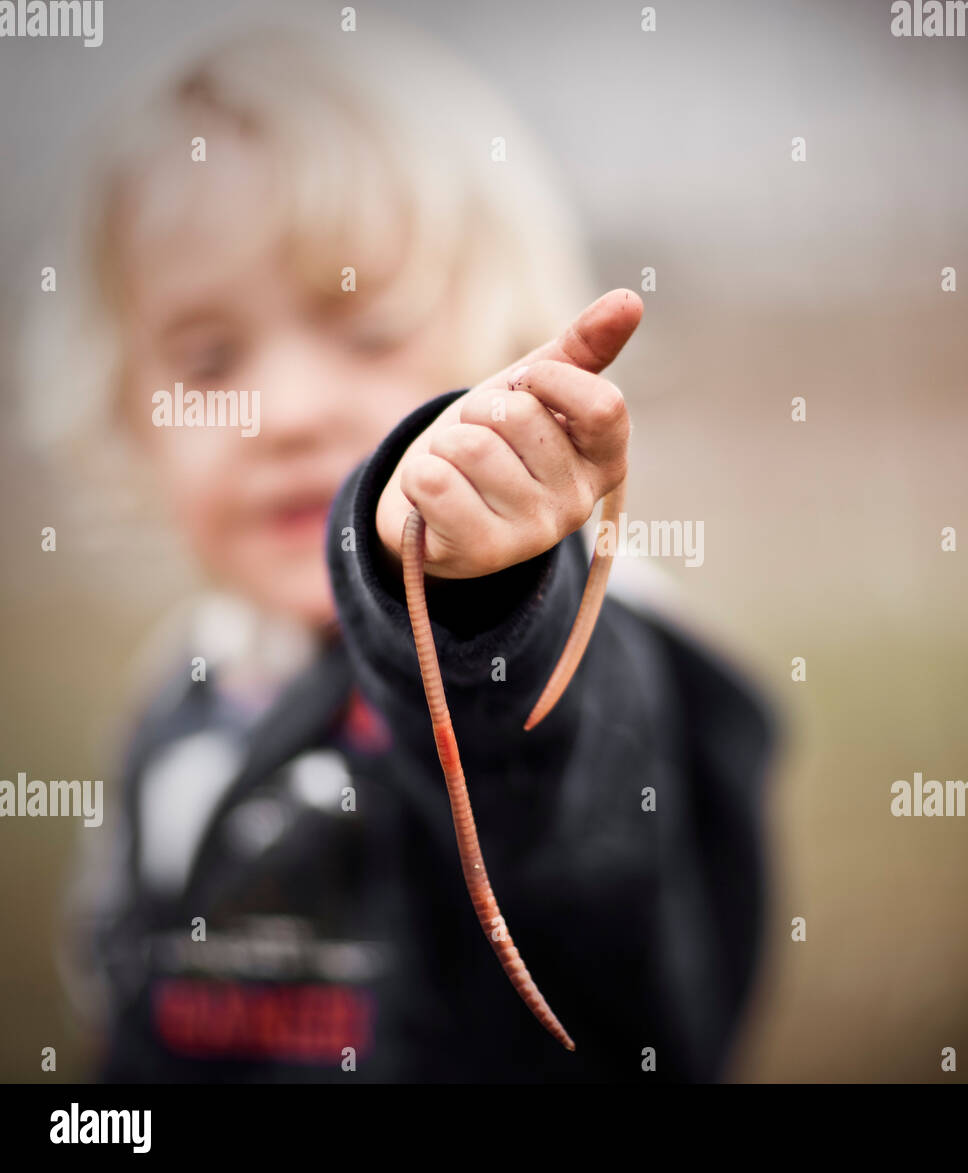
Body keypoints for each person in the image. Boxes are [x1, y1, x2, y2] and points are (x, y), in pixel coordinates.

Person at [22, 22, 777, 1082]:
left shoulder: (589, 656)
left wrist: (486, 596)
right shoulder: (179, 691)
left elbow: (585, 836)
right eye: (207, 359)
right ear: (128, 417)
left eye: (369, 333)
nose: (283, 414)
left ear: (513, 362)